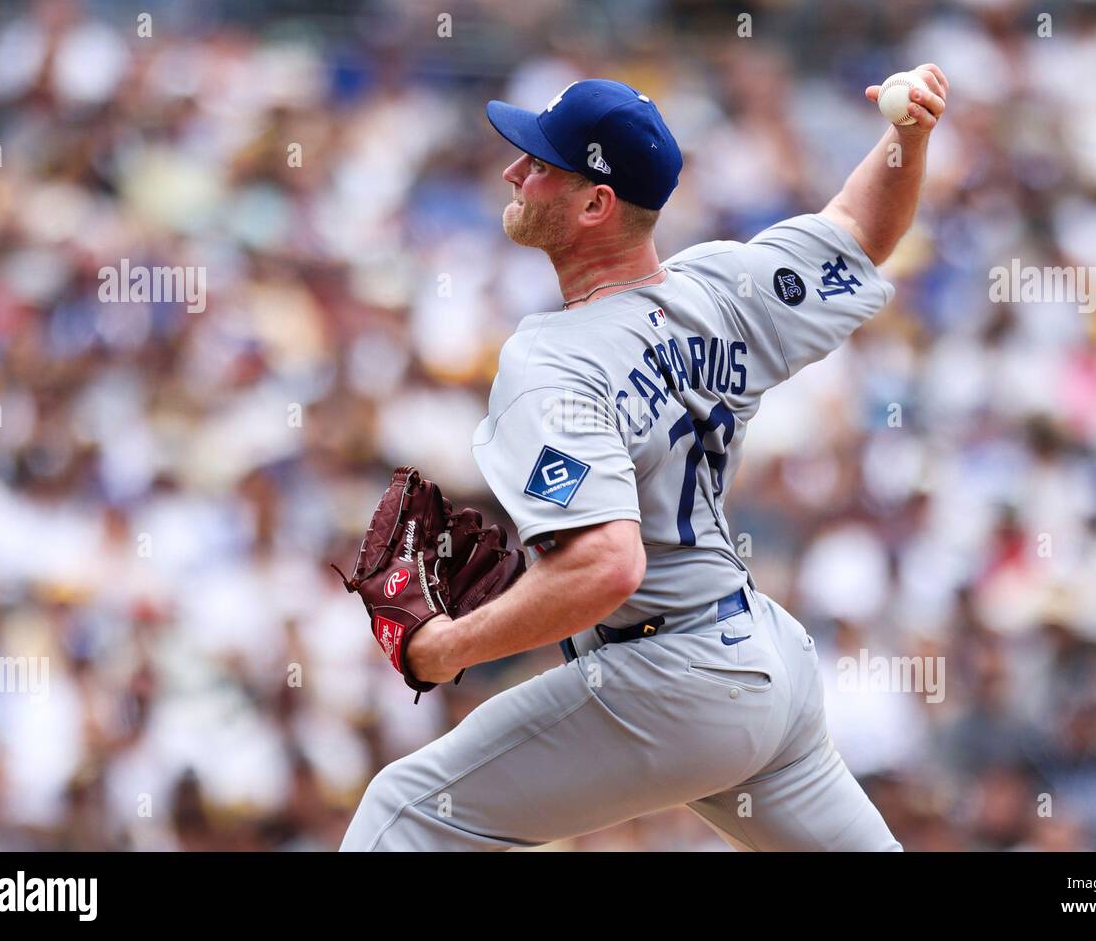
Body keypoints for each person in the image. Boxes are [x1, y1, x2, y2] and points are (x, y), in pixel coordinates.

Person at [341, 67, 948, 851]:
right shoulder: (722, 291)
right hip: (764, 666)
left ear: (595, 204)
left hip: (677, 679)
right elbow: (861, 232)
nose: (513, 172)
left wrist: (444, 647)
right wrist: (908, 137)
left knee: (406, 813)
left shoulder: (554, 361)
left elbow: (606, 568)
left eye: (540, 165)